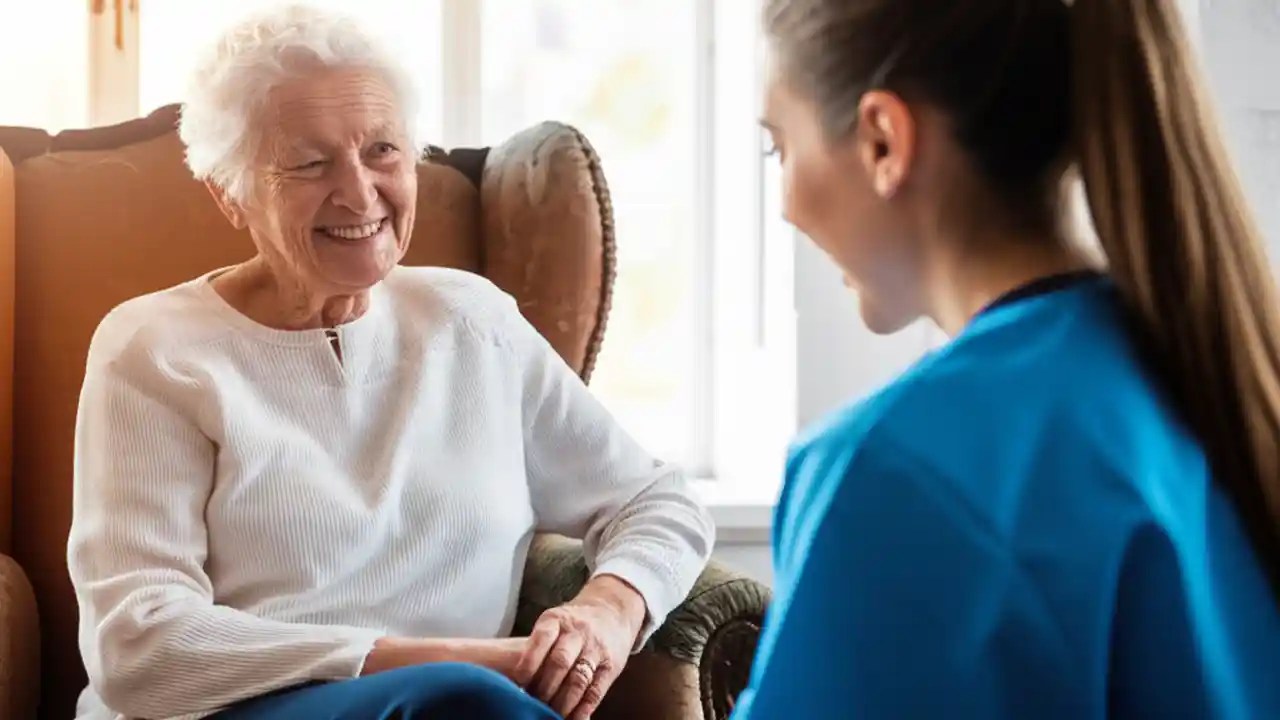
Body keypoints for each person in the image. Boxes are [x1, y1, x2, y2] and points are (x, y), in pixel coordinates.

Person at [66, 5, 714, 720]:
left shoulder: (474, 321)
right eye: (310, 164)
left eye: (383, 151)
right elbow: (136, 645)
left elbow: (657, 501)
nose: (358, 192)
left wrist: (609, 610)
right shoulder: (154, 349)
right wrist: (450, 660)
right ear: (230, 194)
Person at [739, 0, 1280, 717]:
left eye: (779, 148)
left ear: (882, 142)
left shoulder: (894, 473)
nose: (782, 205)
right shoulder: (1207, 380)